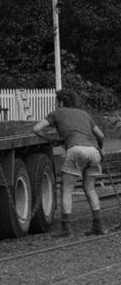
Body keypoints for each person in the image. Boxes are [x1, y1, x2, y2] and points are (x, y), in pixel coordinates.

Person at [32, 89, 107, 237]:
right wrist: (100, 149)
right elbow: (101, 135)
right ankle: (99, 226)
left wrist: (52, 140)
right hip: (93, 152)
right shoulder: (84, 114)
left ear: (60, 102)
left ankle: (67, 229)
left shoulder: (57, 113)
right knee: (90, 189)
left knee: (66, 190)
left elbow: (36, 129)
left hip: (75, 151)